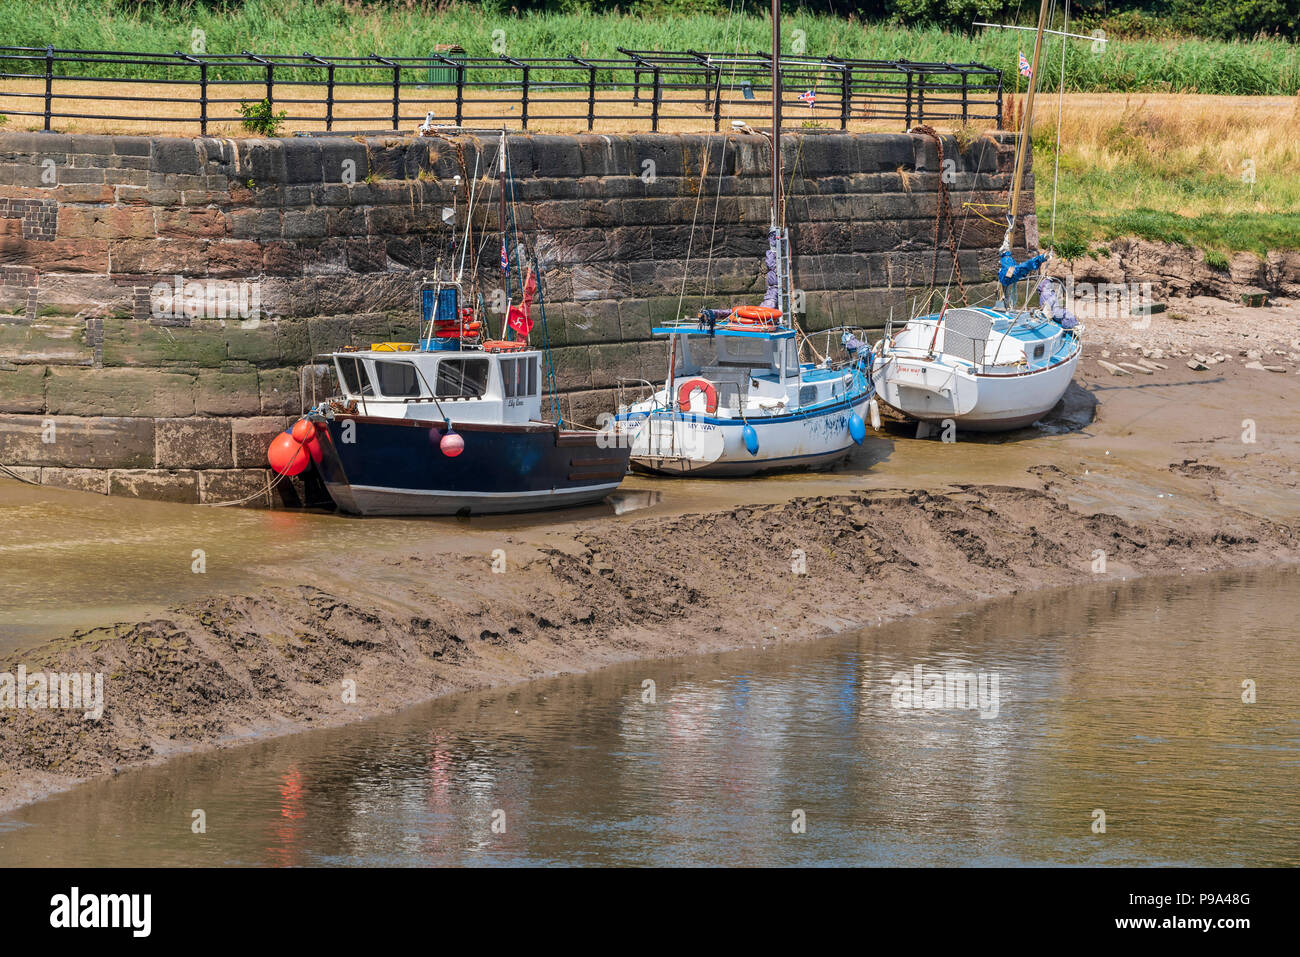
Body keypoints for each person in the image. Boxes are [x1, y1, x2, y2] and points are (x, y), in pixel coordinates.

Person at [996, 239, 1051, 310]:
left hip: (1009, 275)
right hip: (1011, 274)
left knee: (1020, 268)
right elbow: (1017, 268)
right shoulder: (1008, 260)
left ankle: (1041, 258)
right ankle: (1041, 258)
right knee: (1021, 268)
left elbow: (1015, 269)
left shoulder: (1005, 259)